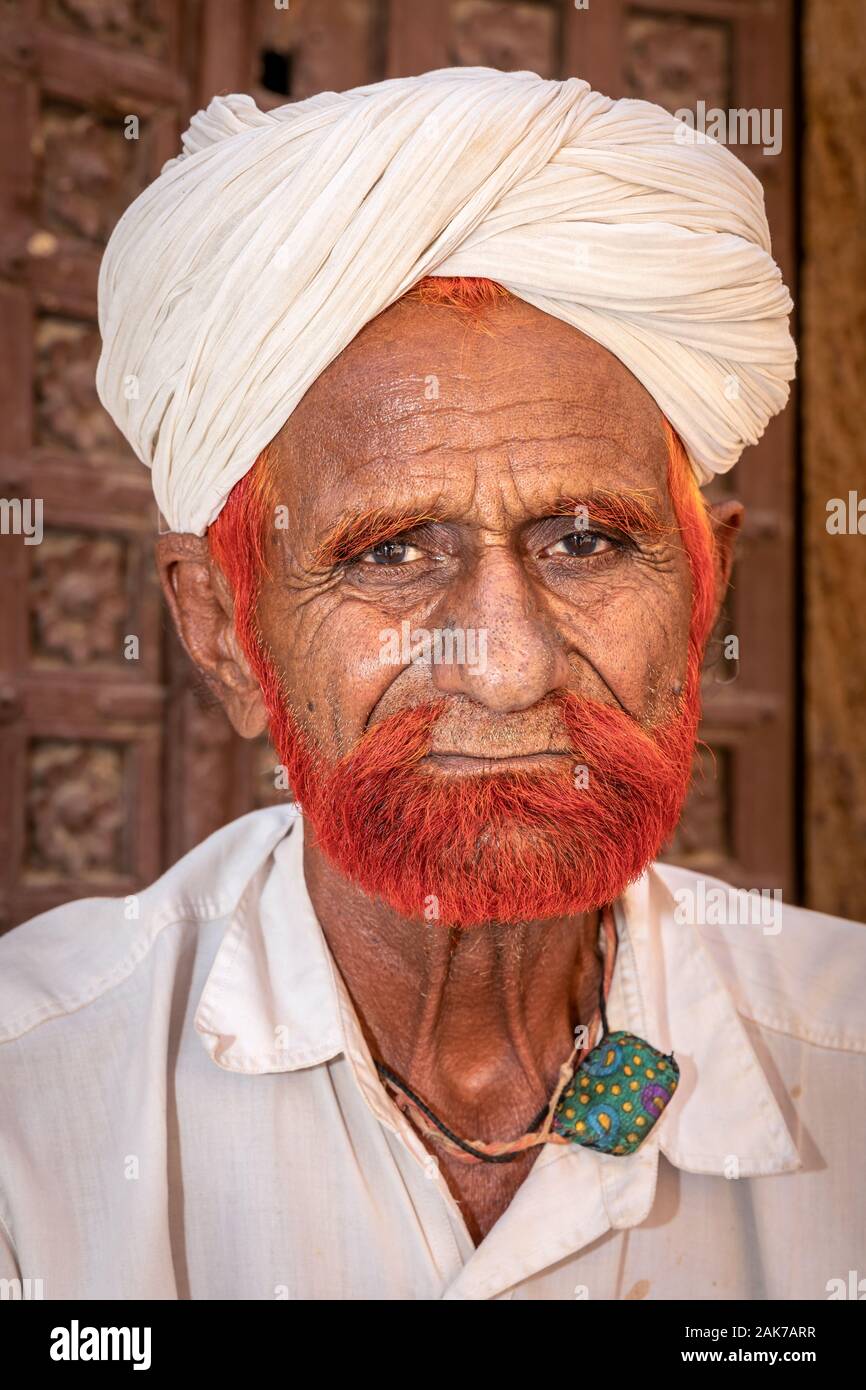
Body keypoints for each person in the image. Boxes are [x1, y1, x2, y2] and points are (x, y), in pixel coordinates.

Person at [1, 67, 863, 1301]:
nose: (506, 667)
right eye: (388, 554)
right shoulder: (30, 1104)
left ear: (704, 588)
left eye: (586, 542)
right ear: (220, 631)